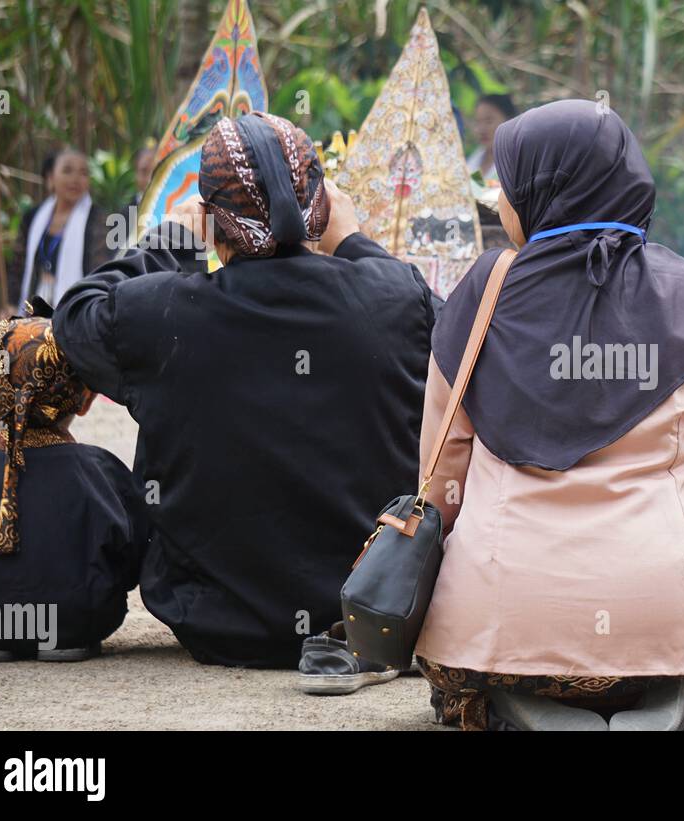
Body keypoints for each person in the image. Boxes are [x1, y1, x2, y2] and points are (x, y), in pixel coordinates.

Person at [413, 99, 684, 730]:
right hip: (661, 615)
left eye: (507, 188)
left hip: (503, 621)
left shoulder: (483, 292)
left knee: (453, 658)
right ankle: (656, 697)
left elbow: (442, 470)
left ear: (542, 193)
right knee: (658, 641)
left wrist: (449, 562)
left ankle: (513, 698)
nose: (501, 204)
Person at [52, 112, 439, 668]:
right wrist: (355, 242)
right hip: (373, 611)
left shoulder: (159, 314)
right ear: (322, 209)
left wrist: (171, 240)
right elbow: (459, 345)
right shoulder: (397, 299)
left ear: (212, 222)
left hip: (213, 623)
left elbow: (76, 315)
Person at [0, 307, 146, 661]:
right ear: (84, 400)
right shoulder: (99, 470)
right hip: (78, 621)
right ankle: (62, 636)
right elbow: (136, 554)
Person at [6, 148, 110, 316]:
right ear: (50, 178)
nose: (75, 179)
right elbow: (18, 264)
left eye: (83, 173)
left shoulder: (98, 219)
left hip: (78, 312)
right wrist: (11, 303)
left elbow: (101, 272)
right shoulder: (32, 218)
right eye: (67, 171)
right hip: (33, 308)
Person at [466, 93, 517, 185]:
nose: (481, 129)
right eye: (478, 122)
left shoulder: (518, 163)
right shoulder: (473, 160)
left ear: (510, 120)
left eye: (488, 121)